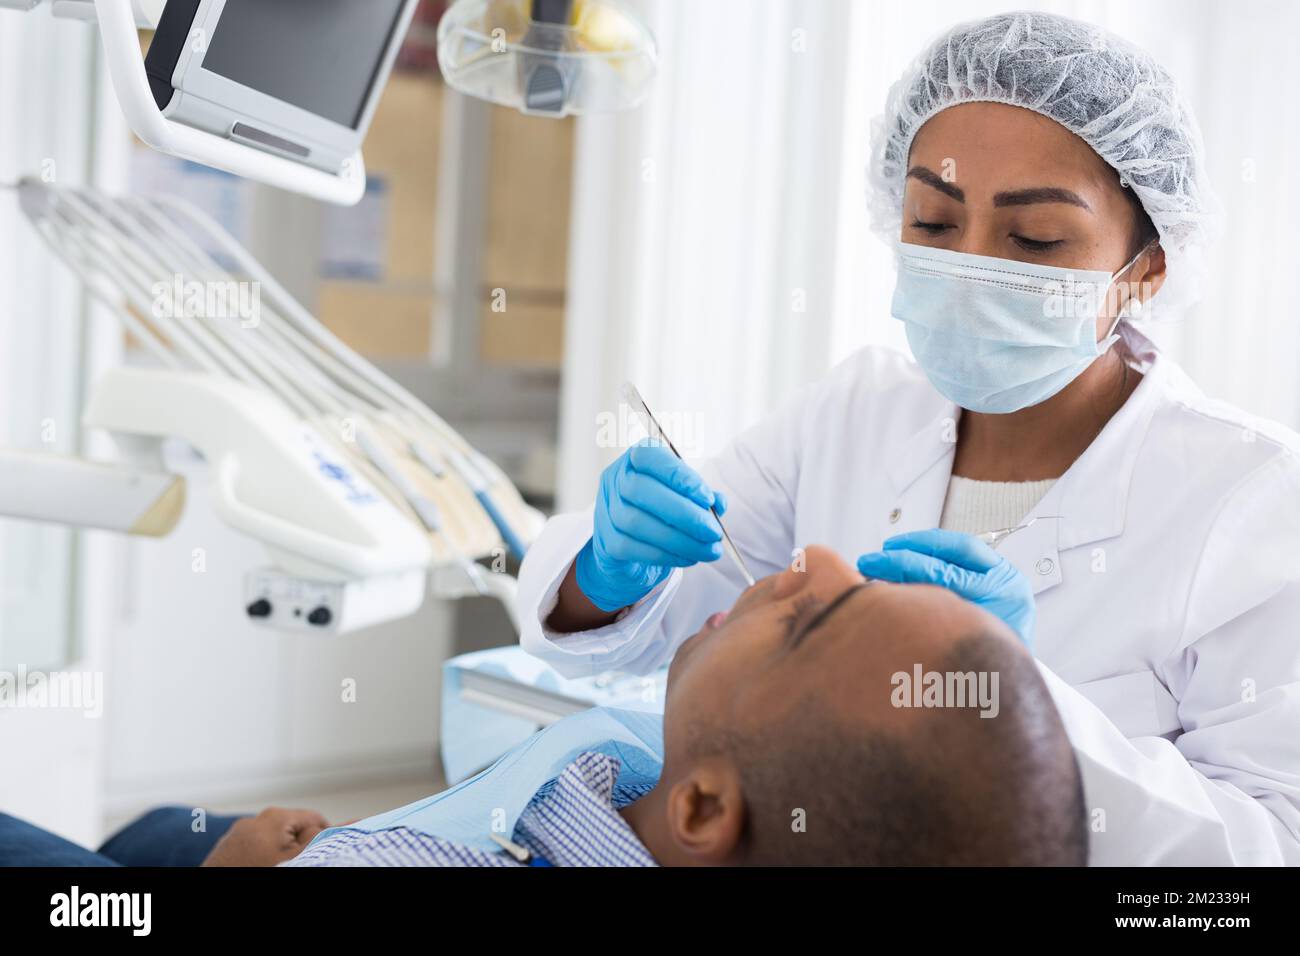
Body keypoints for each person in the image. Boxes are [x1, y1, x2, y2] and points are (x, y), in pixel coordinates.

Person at [517, 11, 1300, 865]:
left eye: (1035, 239)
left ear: (1147, 267)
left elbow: (1264, 852)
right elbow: (688, 633)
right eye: (932, 221)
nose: (967, 266)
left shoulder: (1253, 496)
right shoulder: (854, 409)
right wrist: (606, 573)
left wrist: (1013, 703)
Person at [0, 548, 1088, 867]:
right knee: (150, 832)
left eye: (809, 616)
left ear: (707, 810)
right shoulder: (637, 784)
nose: (812, 555)